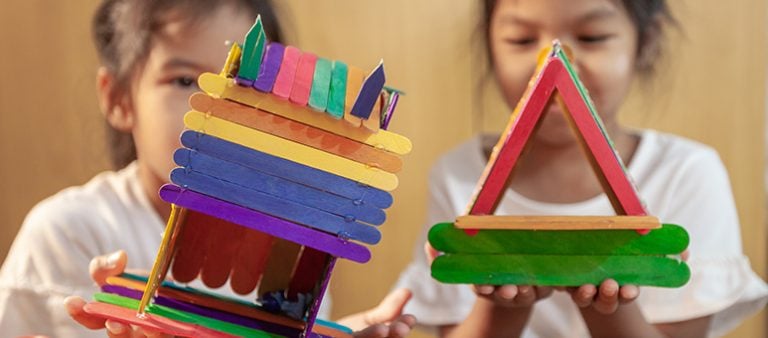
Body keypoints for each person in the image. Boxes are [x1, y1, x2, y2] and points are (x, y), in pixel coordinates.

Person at [0, 1, 413, 337]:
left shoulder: (290, 240)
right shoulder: (67, 232)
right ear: (119, 100)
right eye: (185, 81)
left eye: (247, 85)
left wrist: (335, 333)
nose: (221, 108)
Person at [394, 0, 768, 337]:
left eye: (592, 36)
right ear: (491, 47)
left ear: (645, 42)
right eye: (522, 39)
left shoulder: (688, 172)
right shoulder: (457, 174)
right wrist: (501, 304)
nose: (553, 60)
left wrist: (606, 305)